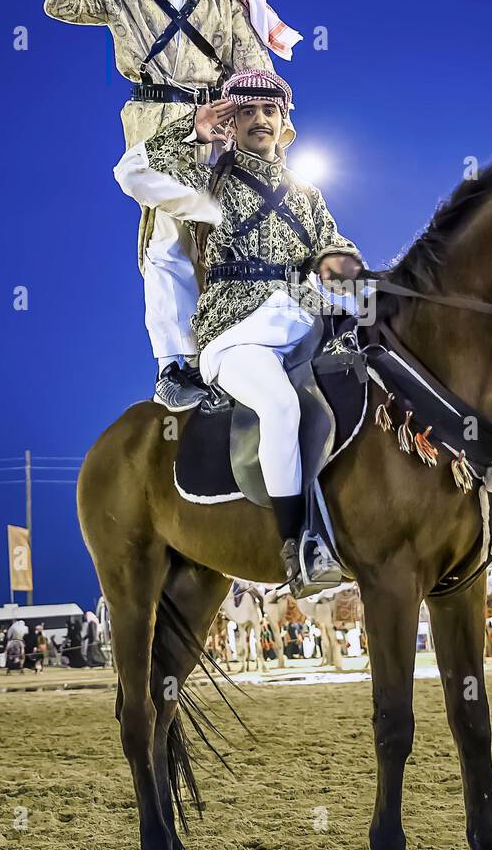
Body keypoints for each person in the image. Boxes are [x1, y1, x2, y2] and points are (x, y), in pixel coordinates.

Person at [45, 0, 301, 411]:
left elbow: (255, 70)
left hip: (222, 126)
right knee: (168, 244)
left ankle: (253, 343)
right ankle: (175, 366)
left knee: (248, 233)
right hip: (155, 127)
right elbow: (60, 5)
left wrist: (269, 139)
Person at [115, 67, 362, 591]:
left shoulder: (308, 194)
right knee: (279, 406)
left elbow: (337, 248)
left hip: (306, 323)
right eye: (246, 111)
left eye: (268, 111)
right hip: (235, 336)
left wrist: (343, 265)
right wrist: (192, 130)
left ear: (283, 121)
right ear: (231, 122)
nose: (259, 120)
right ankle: (298, 545)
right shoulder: (211, 184)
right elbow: (130, 174)